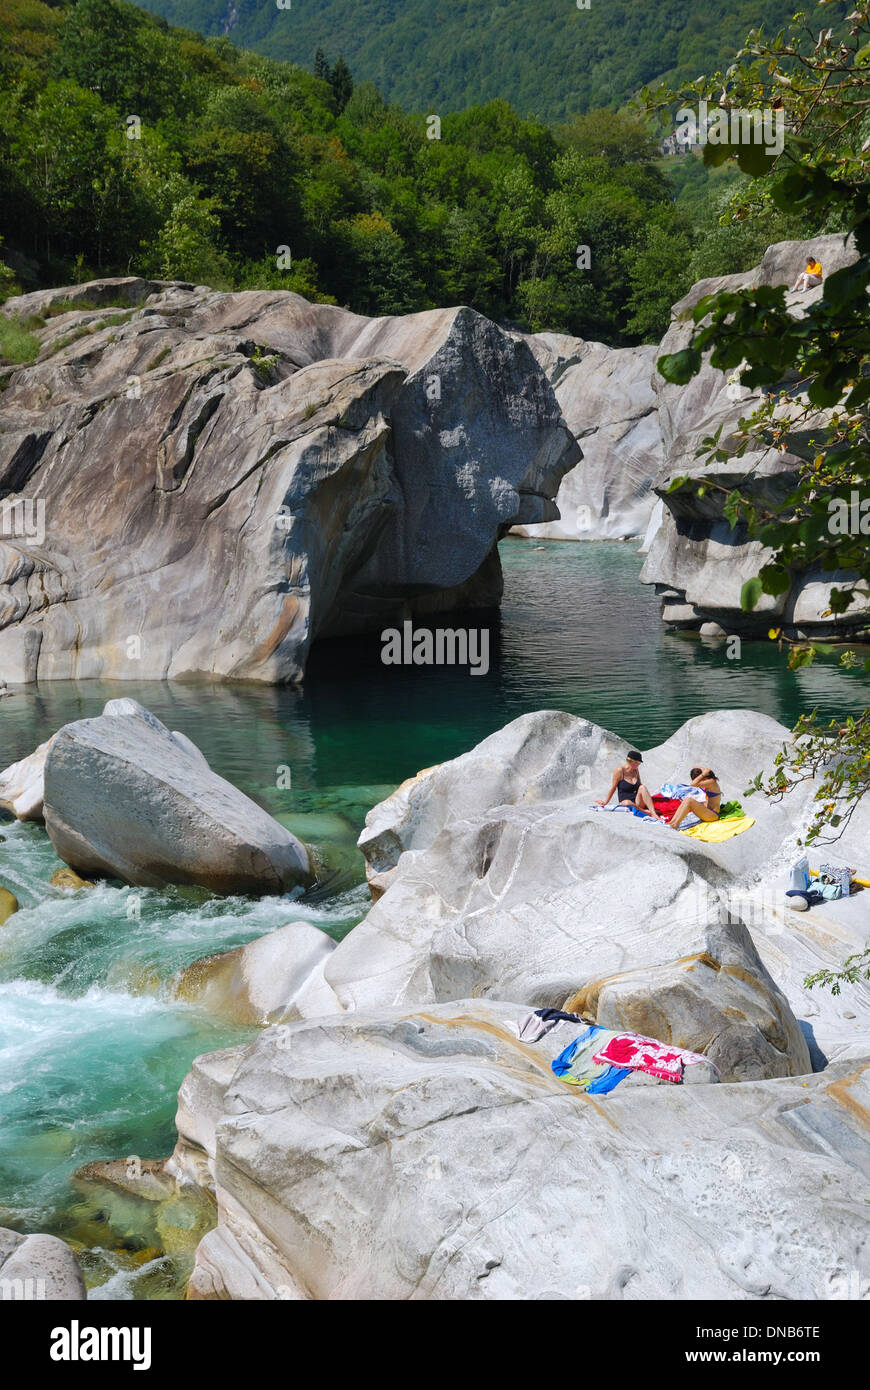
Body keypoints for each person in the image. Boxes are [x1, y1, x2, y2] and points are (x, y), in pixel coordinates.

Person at [596, 750, 664, 821]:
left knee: (642, 787)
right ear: (633, 761)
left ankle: (653, 813)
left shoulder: (636, 770)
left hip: (637, 802)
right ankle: (647, 812)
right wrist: (605, 802)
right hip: (625, 802)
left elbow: (639, 786)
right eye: (638, 762)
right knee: (627, 802)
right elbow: (613, 788)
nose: (639, 764)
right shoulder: (620, 771)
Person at [668, 766, 722, 830]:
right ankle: (672, 822)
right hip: (707, 811)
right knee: (687, 799)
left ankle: (675, 824)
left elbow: (693, 784)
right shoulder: (708, 779)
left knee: (689, 801)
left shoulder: (712, 781)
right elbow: (695, 767)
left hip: (713, 815)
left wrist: (703, 773)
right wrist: (705, 770)